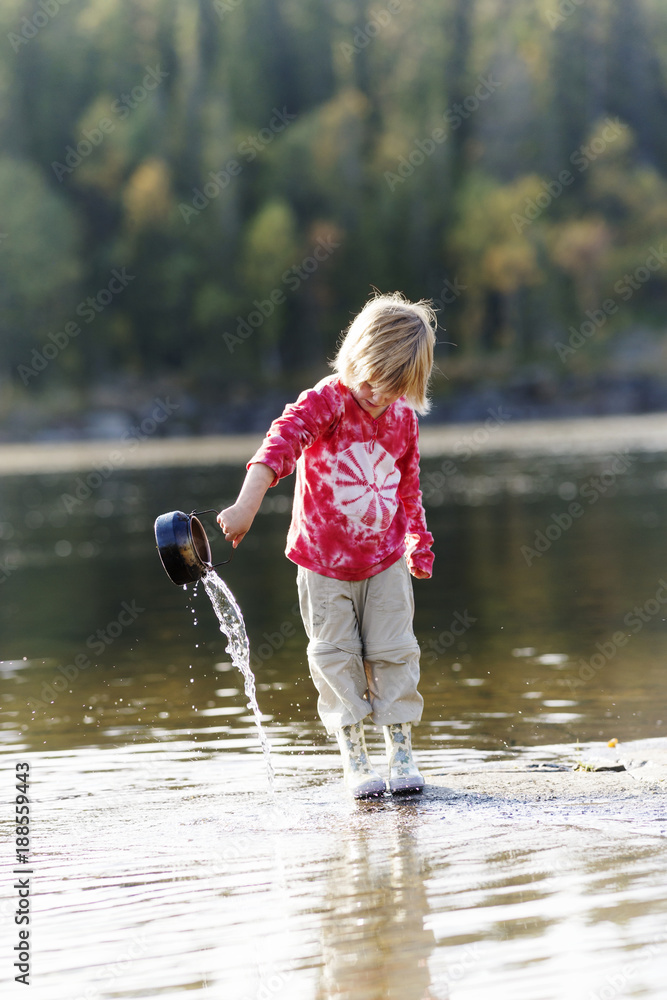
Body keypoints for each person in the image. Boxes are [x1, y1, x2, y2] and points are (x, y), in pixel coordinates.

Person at [217, 291, 436, 798]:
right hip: (323, 564)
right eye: (371, 382)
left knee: (395, 653)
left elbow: (408, 487)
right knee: (336, 657)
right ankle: (356, 759)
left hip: (384, 562)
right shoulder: (329, 401)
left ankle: (401, 753)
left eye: (393, 388)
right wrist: (246, 506)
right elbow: (280, 442)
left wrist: (417, 539)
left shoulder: (403, 418)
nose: (378, 396)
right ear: (356, 355)